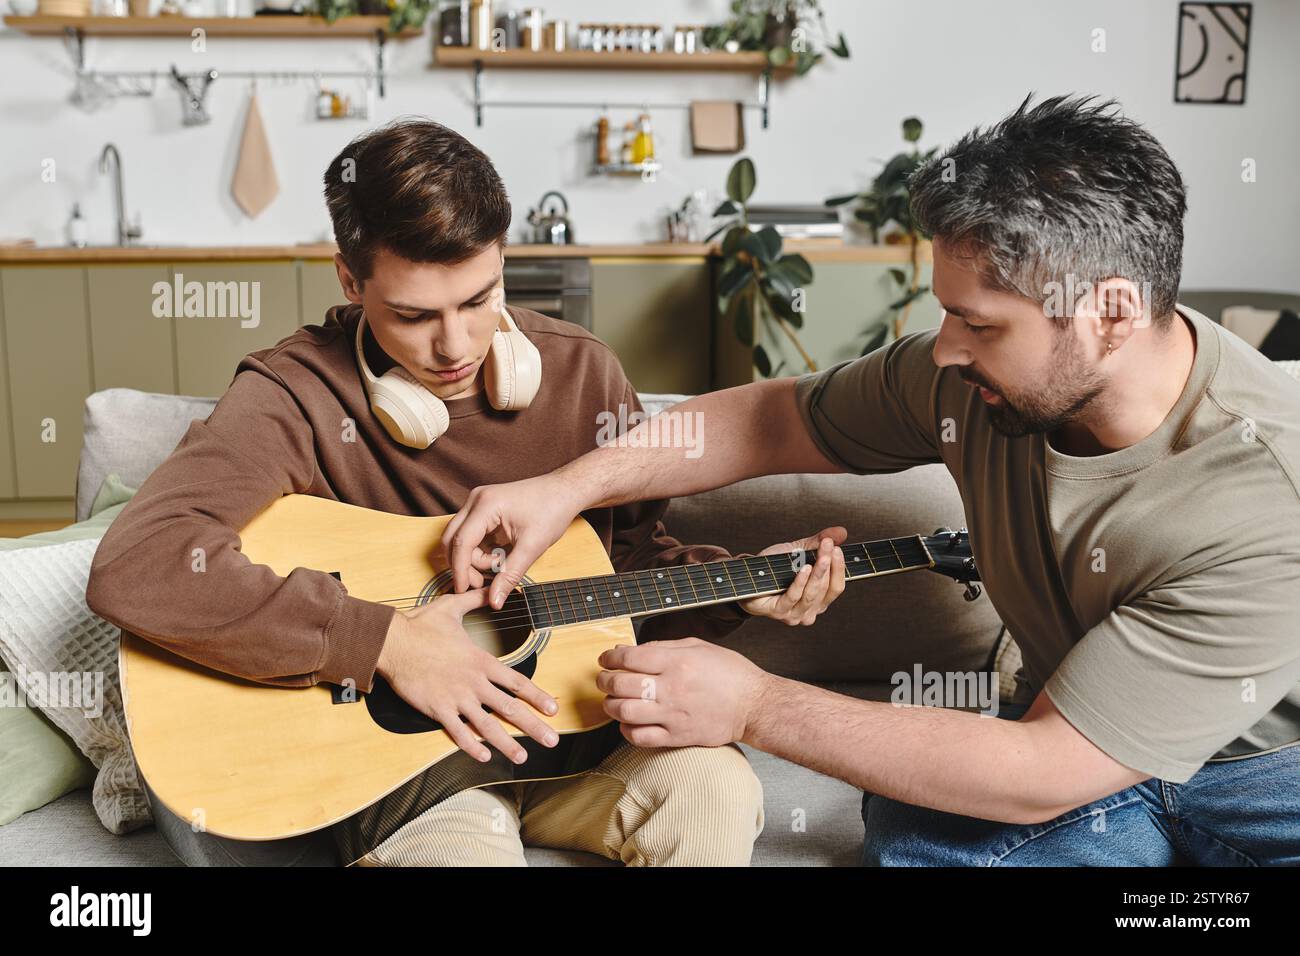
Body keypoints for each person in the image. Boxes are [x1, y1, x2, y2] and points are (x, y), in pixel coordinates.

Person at [442, 95, 1300, 866]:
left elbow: (1048, 769)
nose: (948, 346)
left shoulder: (1266, 493)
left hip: (1262, 776)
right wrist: (571, 485)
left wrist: (756, 706)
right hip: (1071, 737)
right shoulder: (967, 376)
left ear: (1110, 314)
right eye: (946, 313)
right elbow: (768, 418)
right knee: (915, 827)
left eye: (979, 322)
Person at [86, 118, 848, 867]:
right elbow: (141, 562)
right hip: (412, 777)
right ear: (351, 281)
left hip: (574, 740)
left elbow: (625, 573)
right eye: (414, 316)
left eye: (480, 299)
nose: (454, 346)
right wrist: (384, 641)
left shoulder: (584, 374)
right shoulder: (293, 394)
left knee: (715, 790)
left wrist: (741, 589)